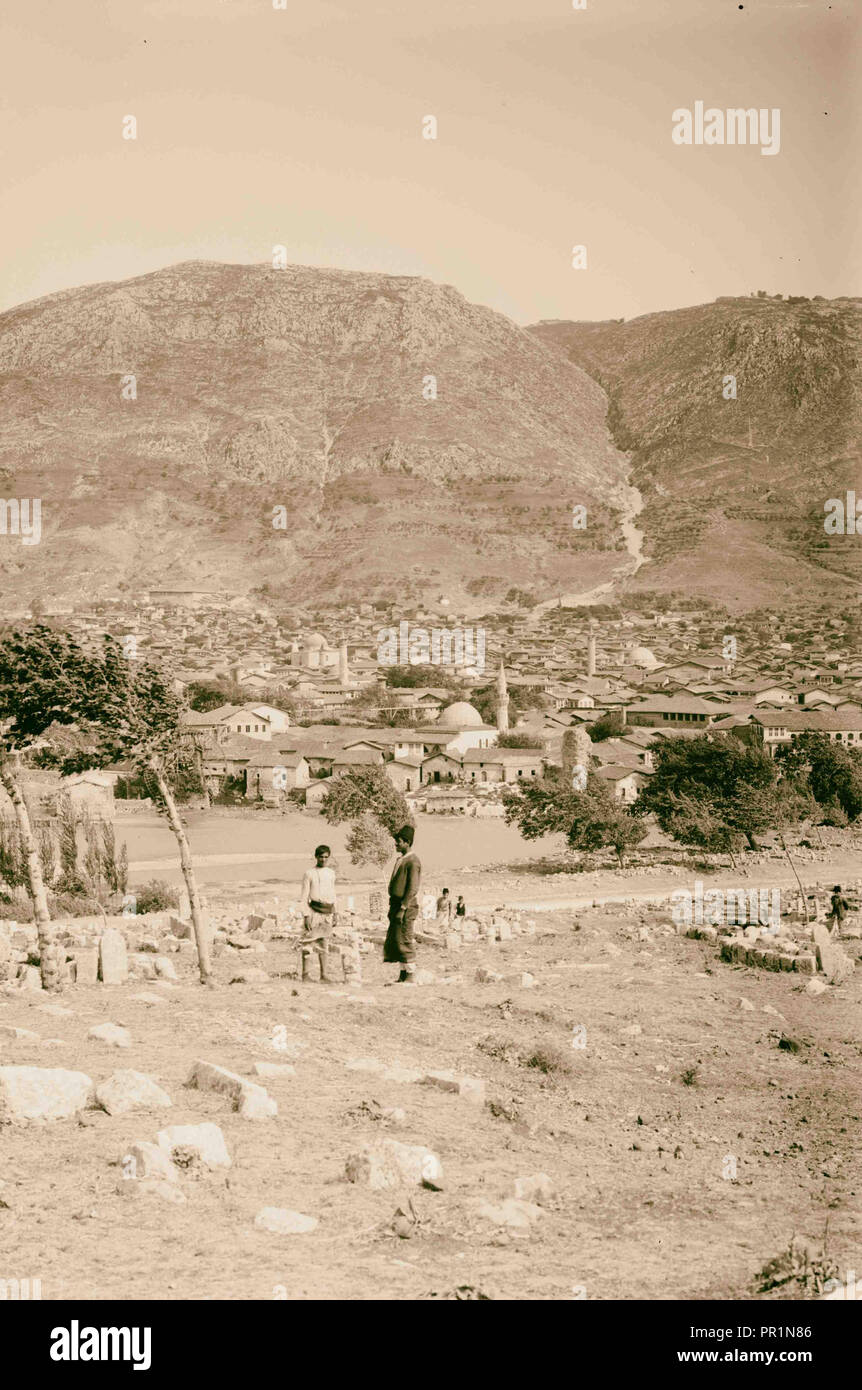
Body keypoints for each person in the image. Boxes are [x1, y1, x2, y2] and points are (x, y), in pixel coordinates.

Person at [385, 824, 421, 983]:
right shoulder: (402, 859)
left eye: (398, 841)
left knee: (405, 938)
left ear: (407, 842)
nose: (396, 844)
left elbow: (412, 888)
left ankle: (411, 975)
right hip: (396, 905)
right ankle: (403, 974)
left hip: (405, 907)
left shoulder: (413, 862)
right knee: (397, 940)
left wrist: (403, 907)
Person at [298, 844, 338, 982]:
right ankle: (306, 974)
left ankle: (324, 975)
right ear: (316, 857)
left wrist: (335, 912)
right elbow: (303, 897)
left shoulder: (331, 873)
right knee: (308, 942)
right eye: (321, 856)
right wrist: (306, 915)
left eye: (326, 857)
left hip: (327, 912)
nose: (323, 859)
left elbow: (333, 894)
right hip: (314, 911)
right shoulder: (309, 873)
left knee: (324, 943)